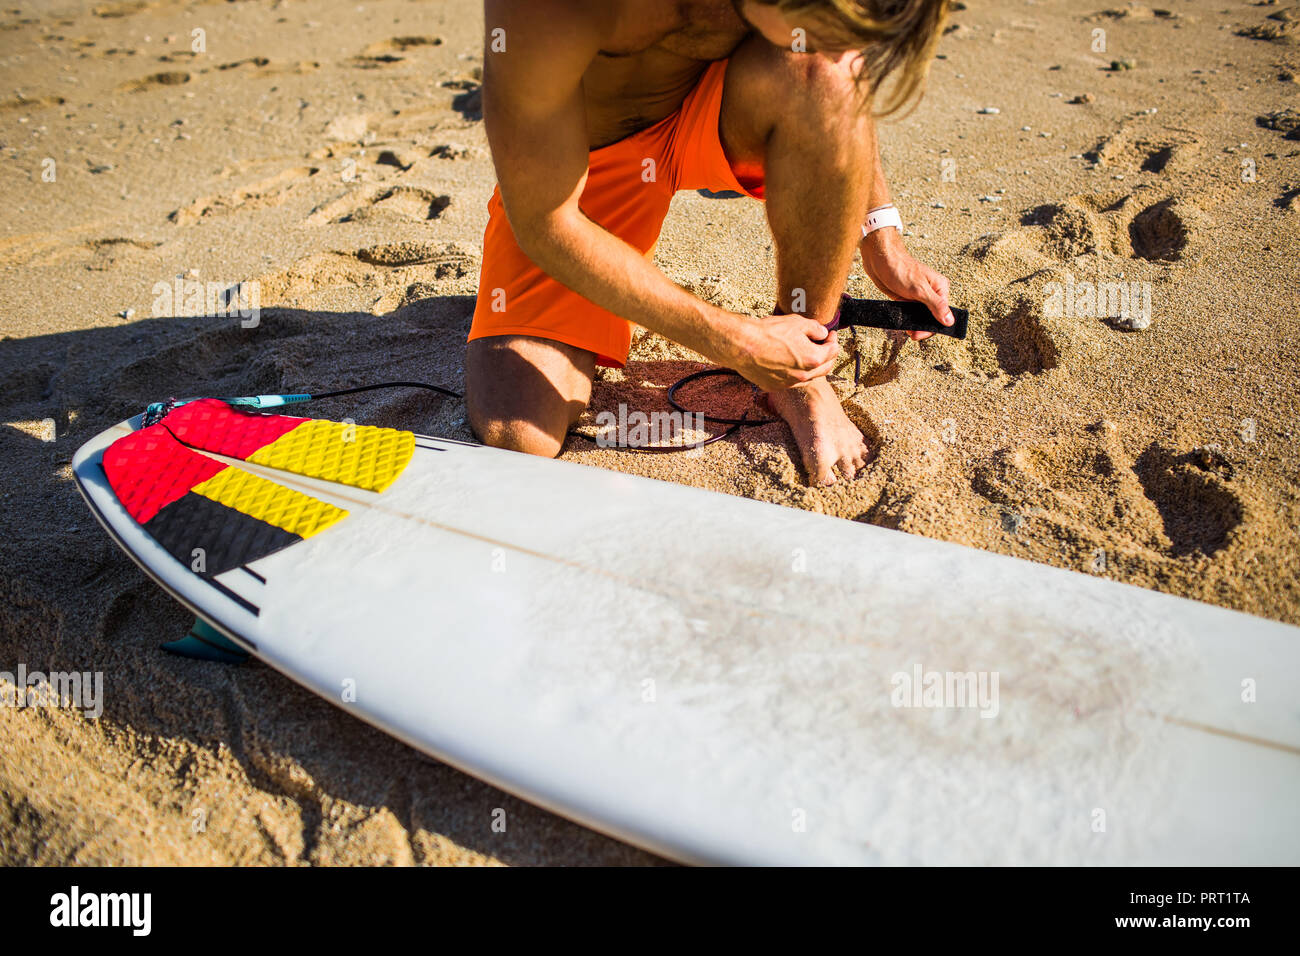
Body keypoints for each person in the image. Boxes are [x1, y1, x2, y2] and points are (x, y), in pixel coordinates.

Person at [466, 0, 956, 485]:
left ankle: (804, 374)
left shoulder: (806, 29)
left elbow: (834, 78)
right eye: (825, 25)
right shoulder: (542, 11)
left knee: (826, 76)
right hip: (581, 171)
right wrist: (740, 342)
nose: (839, 48)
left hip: (712, 108)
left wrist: (881, 237)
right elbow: (545, 222)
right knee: (520, 434)